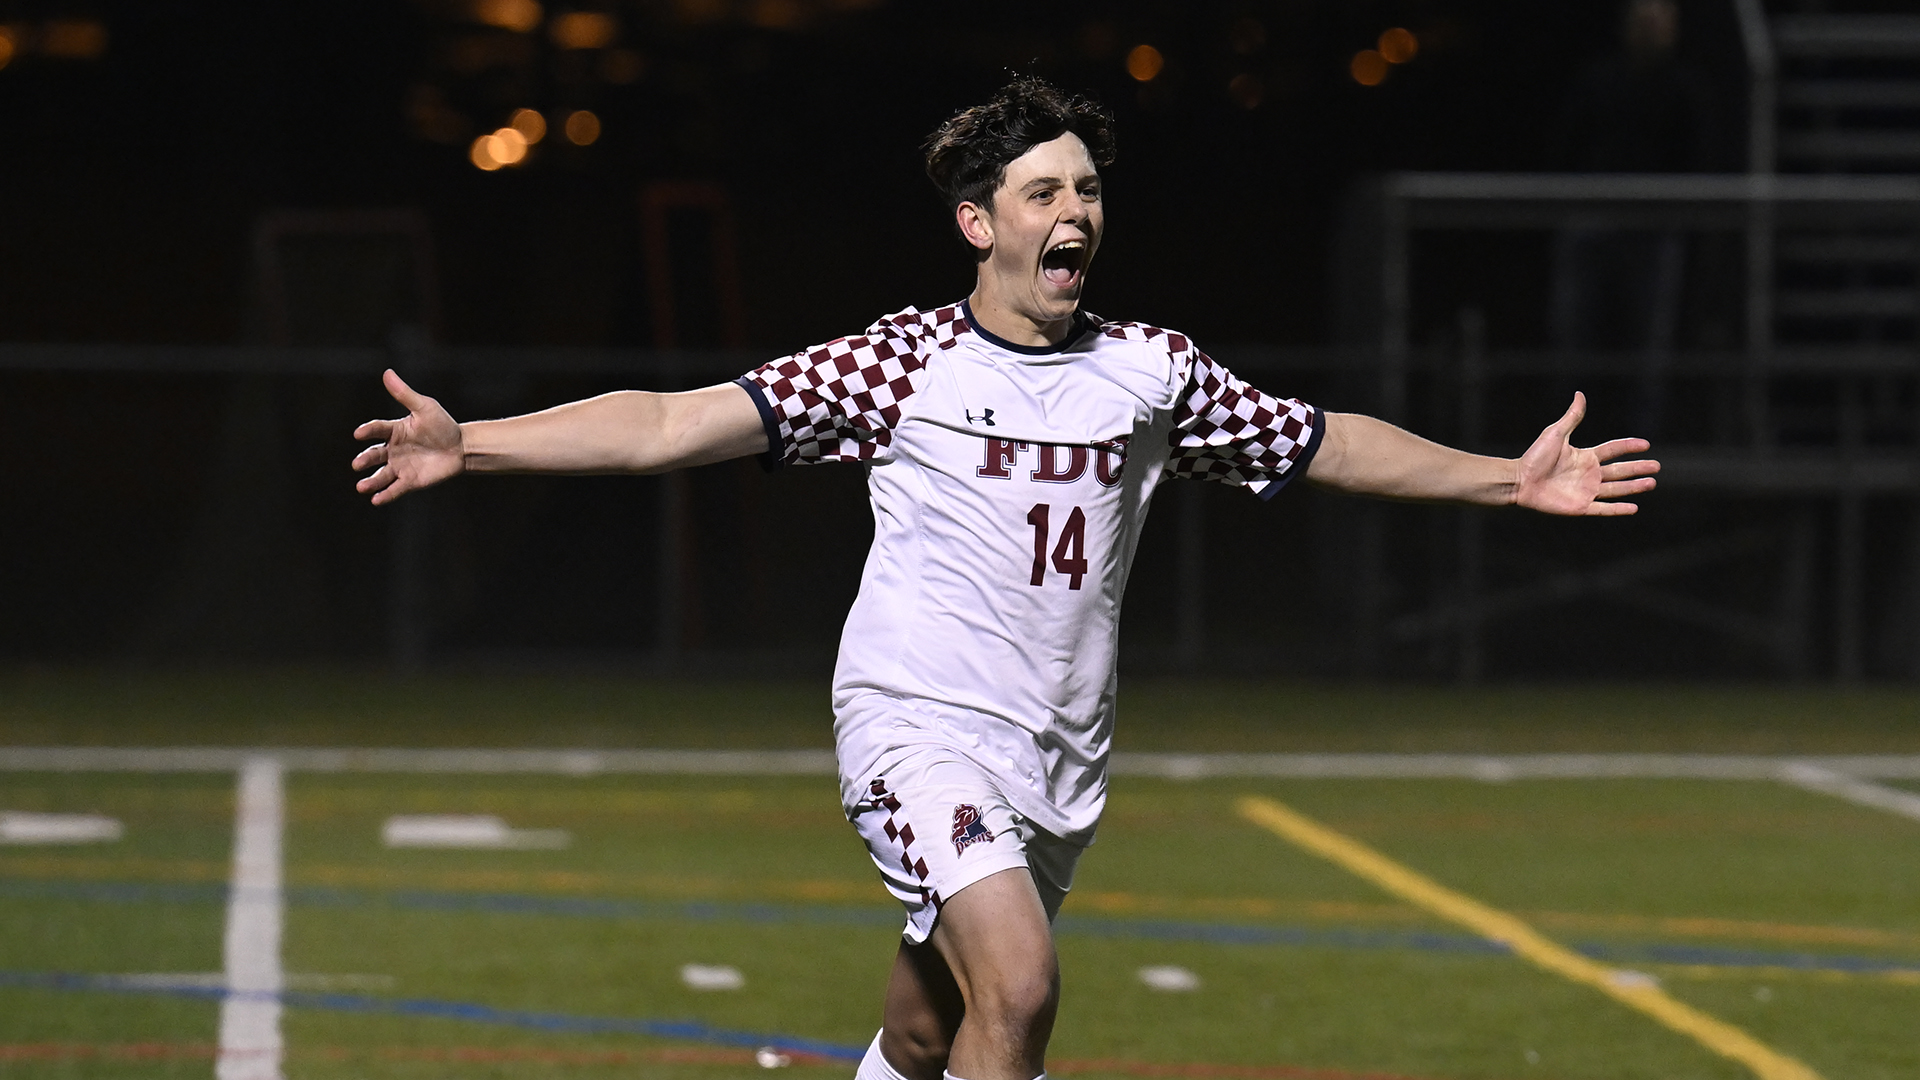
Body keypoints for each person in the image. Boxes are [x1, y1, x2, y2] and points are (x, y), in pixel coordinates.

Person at [351, 77, 1659, 1080]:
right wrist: (478, 443)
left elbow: (1324, 443)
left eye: (1086, 189)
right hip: (915, 724)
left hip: (1059, 763)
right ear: (979, 223)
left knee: (926, 1033)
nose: (1074, 212)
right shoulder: (903, 366)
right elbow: (668, 422)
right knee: (1019, 992)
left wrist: (1506, 476)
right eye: (1042, 192)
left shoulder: (1152, 373)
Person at [1547, 0, 1719, 435]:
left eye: (1659, 20)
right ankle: (1567, 436)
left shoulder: (1685, 88)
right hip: (1593, 222)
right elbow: (1568, 146)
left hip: (1655, 229)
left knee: (1648, 348)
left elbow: (1696, 159)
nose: (1649, 29)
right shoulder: (1597, 80)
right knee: (1576, 340)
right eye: (1641, 19)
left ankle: (1645, 441)